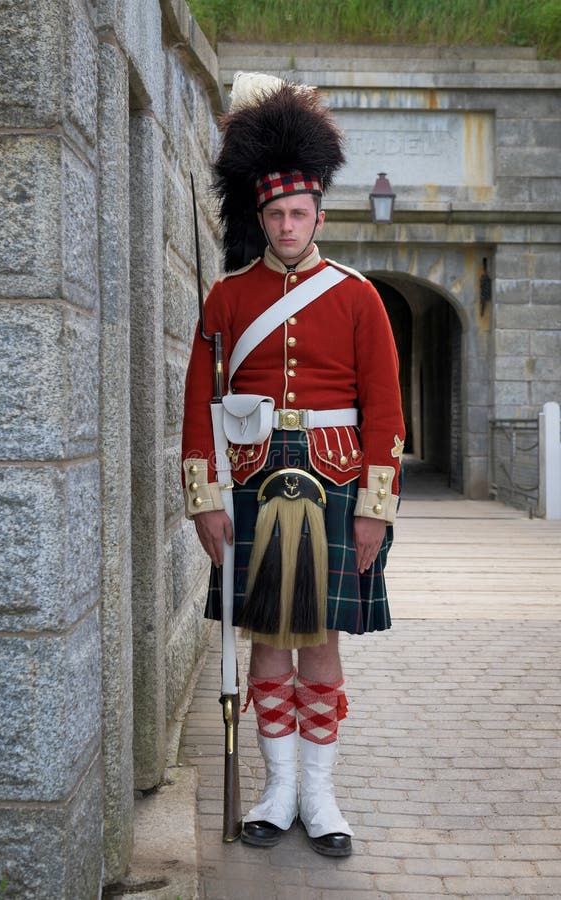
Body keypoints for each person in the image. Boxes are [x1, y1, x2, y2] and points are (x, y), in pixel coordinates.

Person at [182, 73, 405, 858]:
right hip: (249, 482)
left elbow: (385, 411)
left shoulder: (358, 298)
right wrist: (207, 499)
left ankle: (320, 790)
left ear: (318, 212)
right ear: (261, 215)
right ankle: (277, 788)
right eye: (274, 214)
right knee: (266, 634)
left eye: (298, 213)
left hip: (337, 486)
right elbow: (195, 408)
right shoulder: (228, 297)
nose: (285, 225)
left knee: (322, 637)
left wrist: (377, 507)